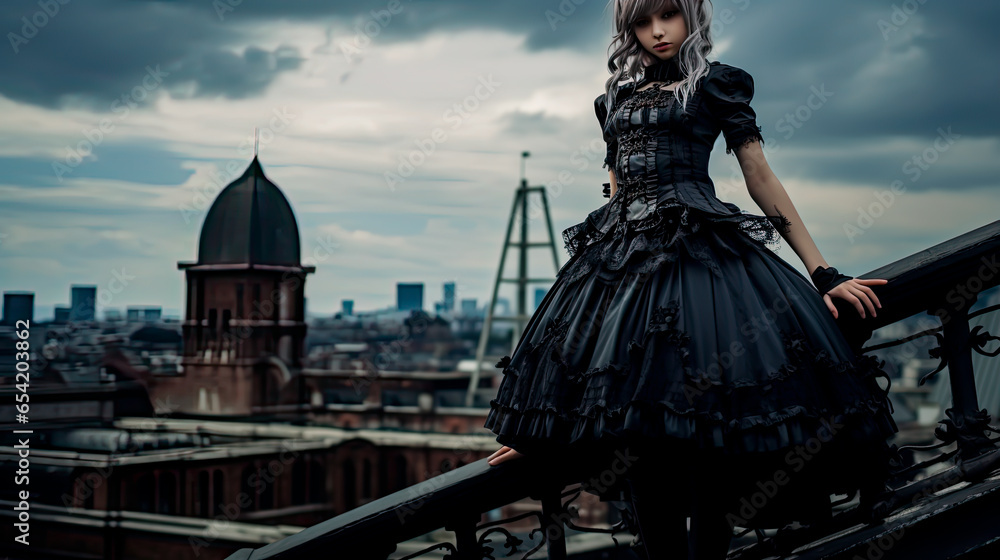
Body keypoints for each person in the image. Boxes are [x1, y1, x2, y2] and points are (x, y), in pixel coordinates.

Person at [483, 0, 899, 557]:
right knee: (640, 438)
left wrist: (823, 273)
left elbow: (759, 176)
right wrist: (545, 433)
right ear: (627, 28)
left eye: (669, 16)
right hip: (621, 265)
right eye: (642, 20)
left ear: (692, 18)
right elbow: (614, 189)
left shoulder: (717, 85)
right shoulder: (614, 98)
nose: (657, 31)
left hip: (701, 264)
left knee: (709, 432)